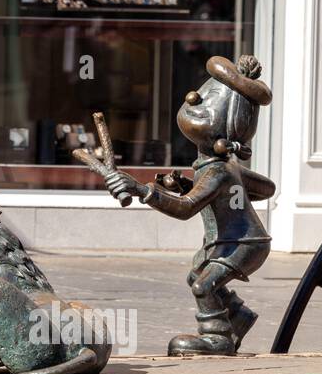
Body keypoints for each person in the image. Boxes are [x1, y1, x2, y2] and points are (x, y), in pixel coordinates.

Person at [104, 55, 274, 355]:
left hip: (243, 243)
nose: (193, 98)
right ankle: (237, 316)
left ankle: (218, 338)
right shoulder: (220, 167)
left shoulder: (218, 170)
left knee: (203, 286)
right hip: (232, 240)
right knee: (195, 274)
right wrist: (188, 186)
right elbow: (266, 188)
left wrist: (142, 189)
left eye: (207, 103)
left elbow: (185, 209)